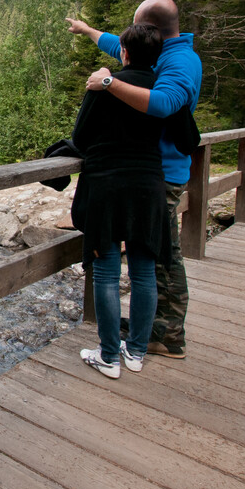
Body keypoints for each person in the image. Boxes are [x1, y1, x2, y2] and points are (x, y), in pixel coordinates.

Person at [67, 0, 203, 358]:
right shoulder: (159, 53)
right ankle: (144, 338)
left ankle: (167, 334)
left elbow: (164, 104)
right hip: (152, 176)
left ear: (151, 33)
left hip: (159, 174)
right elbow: (120, 44)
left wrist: (108, 82)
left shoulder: (179, 62)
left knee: (162, 258)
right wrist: (87, 31)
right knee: (150, 262)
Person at [70, 23, 168, 378]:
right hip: (148, 186)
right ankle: (136, 351)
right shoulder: (163, 89)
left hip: (107, 187)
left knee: (107, 273)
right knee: (144, 273)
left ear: (123, 52)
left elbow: (80, 138)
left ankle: (109, 355)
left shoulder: (103, 85)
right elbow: (187, 136)